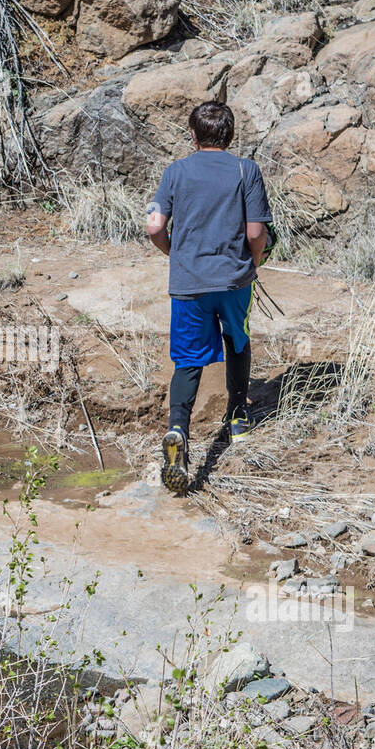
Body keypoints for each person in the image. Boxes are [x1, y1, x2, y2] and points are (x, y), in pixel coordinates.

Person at [145, 101, 272, 495]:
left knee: (188, 359)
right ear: (230, 135)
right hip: (234, 282)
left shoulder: (175, 171)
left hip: (189, 285)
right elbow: (255, 233)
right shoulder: (244, 170)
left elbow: (153, 226)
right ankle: (237, 417)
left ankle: (178, 429)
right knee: (238, 340)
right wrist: (255, 262)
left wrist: (175, 254)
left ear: (194, 136)